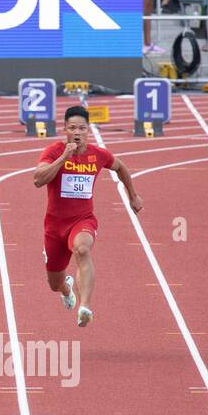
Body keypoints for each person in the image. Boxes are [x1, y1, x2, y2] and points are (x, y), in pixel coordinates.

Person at [33, 105, 143, 327]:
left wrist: (133, 195)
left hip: (82, 220)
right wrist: (63, 158)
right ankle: (66, 289)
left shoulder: (98, 155)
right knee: (54, 284)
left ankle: (85, 307)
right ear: (65, 129)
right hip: (54, 227)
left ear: (88, 130)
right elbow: (38, 180)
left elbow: (120, 167)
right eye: (72, 128)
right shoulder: (54, 151)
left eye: (82, 128)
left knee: (82, 249)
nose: (77, 132)